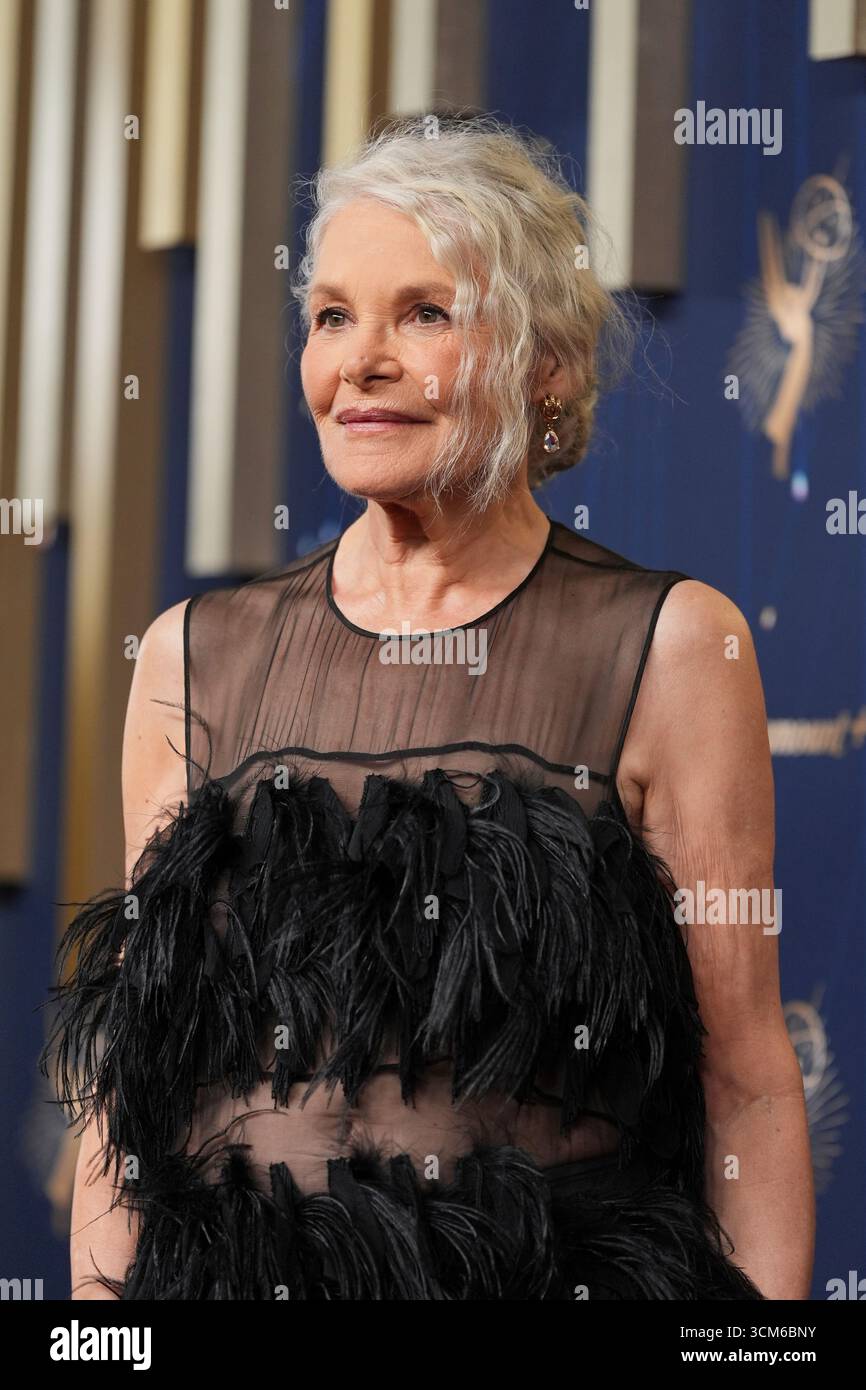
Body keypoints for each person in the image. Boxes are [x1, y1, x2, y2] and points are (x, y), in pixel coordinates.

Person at [42, 112, 814, 1300]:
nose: (360, 360)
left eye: (425, 313)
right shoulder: (193, 656)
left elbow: (747, 1078)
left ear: (542, 364)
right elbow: (131, 1081)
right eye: (331, 316)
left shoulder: (668, 646)